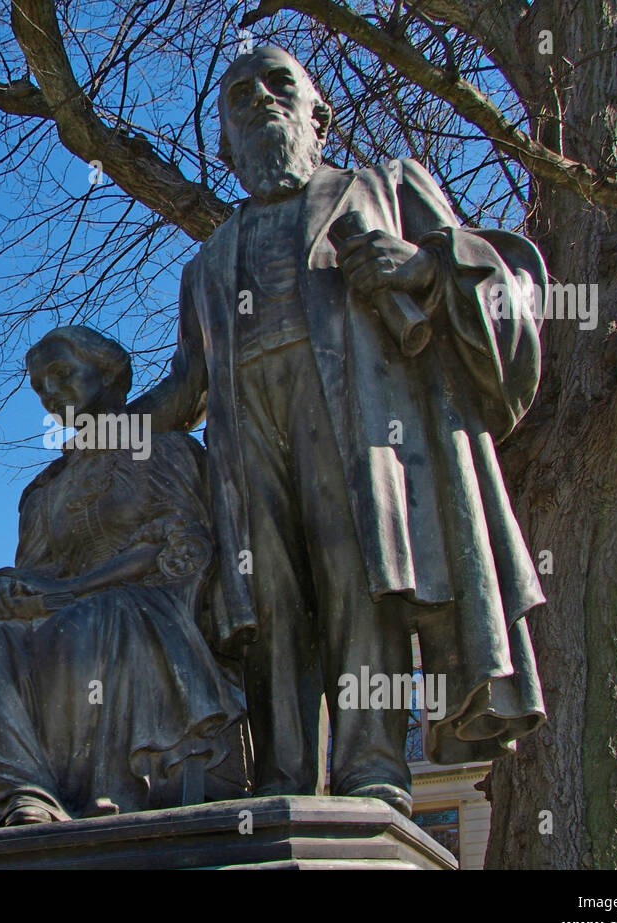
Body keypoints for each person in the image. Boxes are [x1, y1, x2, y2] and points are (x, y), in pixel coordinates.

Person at [131, 47, 547, 815]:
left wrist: (422, 267)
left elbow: (503, 284)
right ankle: (283, 771)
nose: (260, 99)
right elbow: (186, 384)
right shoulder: (207, 262)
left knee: (360, 579)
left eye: (280, 84)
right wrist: (103, 433)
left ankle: (371, 765)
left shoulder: (384, 189)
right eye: (238, 95)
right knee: (271, 602)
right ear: (222, 141)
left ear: (319, 116)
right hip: (247, 437)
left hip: (360, 422)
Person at [0, 326, 245, 829]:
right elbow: (38, 570)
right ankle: (25, 798)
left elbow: (181, 547)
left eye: (63, 375)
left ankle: (118, 788)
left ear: (110, 374)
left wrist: (69, 590)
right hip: (63, 609)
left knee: (90, 619)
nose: (51, 394)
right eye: (41, 387)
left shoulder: (161, 448)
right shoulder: (45, 489)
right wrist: (10, 587)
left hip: (151, 603)